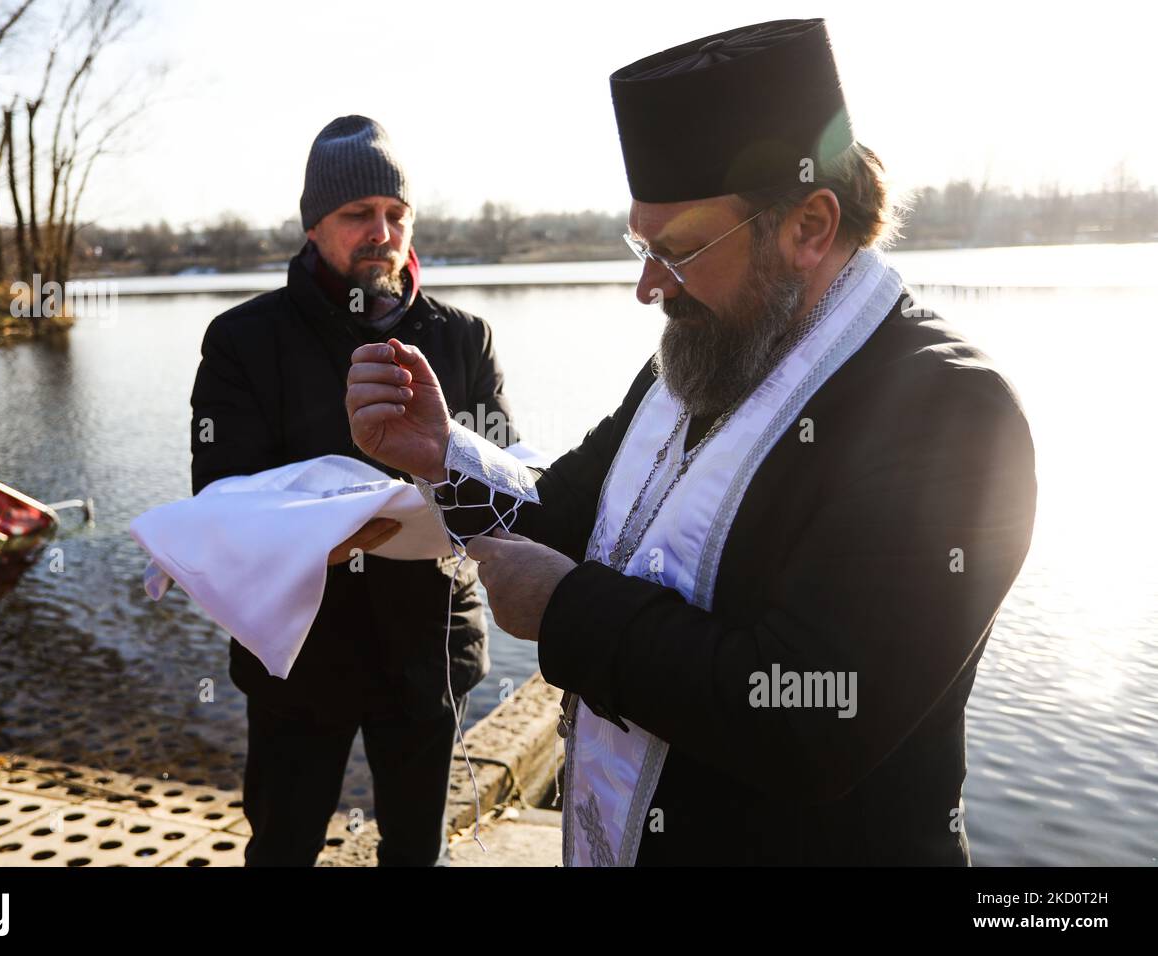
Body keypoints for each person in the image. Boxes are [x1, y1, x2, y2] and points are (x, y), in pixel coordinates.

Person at [343, 20, 1037, 865]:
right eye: (641, 246)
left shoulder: (952, 412)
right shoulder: (702, 352)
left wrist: (569, 612)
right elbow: (563, 512)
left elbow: (817, 717)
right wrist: (440, 451)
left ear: (810, 226)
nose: (647, 286)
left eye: (676, 251)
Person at [190, 115, 517, 866]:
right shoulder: (244, 340)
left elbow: (505, 479)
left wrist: (452, 488)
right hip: (299, 650)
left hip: (430, 642)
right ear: (314, 227)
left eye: (396, 214)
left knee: (415, 851)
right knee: (284, 846)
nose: (382, 231)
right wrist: (336, 534)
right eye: (357, 215)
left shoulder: (465, 336)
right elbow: (222, 500)